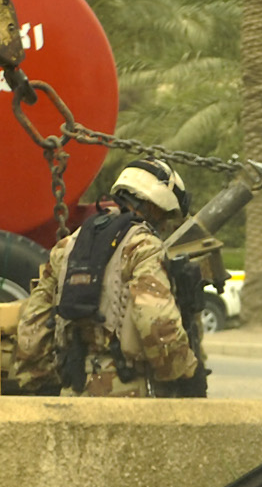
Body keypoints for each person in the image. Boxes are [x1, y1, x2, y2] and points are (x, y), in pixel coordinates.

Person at [12, 160, 201, 397]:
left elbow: (33, 322)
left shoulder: (69, 245)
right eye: (165, 217)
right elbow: (156, 321)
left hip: (73, 388)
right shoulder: (143, 246)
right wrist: (184, 372)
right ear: (156, 207)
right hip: (128, 391)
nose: (163, 226)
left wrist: (39, 378)